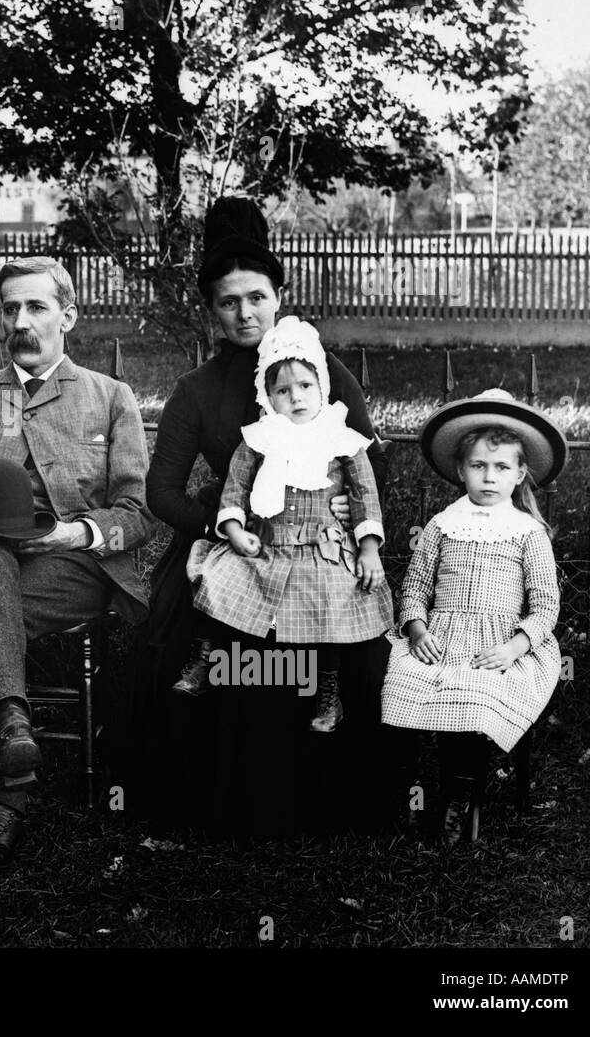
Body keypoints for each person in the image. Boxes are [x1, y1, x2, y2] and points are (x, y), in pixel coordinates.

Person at [142, 196, 390, 837]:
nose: (244, 313)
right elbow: (162, 489)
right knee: (189, 639)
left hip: (320, 544)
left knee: (347, 643)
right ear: (212, 310)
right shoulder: (198, 390)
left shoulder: (319, 372)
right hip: (241, 543)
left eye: (256, 296)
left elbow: (368, 462)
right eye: (228, 302)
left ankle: (327, 801)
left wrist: (341, 507)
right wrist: (224, 523)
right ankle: (224, 800)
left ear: (278, 295)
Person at [0, 256, 152, 870]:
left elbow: (137, 512)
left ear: (69, 316)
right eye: (10, 309)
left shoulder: (111, 397)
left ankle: (2, 745)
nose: (21, 322)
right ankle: (9, 761)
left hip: (76, 568)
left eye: (36, 307)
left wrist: (75, 533)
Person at [181, 316, 393, 732]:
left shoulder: (341, 439)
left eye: (305, 386)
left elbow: (365, 495)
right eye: (283, 390)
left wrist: (368, 548)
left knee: (331, 604)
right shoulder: (260, 437)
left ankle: (327, 693)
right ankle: (204, 659)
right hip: (267, 544)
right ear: (268, 395)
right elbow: (236, 488)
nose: (295, 398)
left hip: (322, 550)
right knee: (220, 581)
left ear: (322, 388)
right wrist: (235, 529)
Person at [381, 389, 565, 845]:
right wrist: (416, 627)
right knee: (399, 680)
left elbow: (545, 605)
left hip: (498, 644)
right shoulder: (443, 525)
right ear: (461, 470)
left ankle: (459, 802)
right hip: (439, 635)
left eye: (501, 467)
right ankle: (405, 795)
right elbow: (417, 587)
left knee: (474, 694)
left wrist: (514, 646)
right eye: (478, 466)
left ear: (520, 472)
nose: (489, 477)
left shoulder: (528, 532)